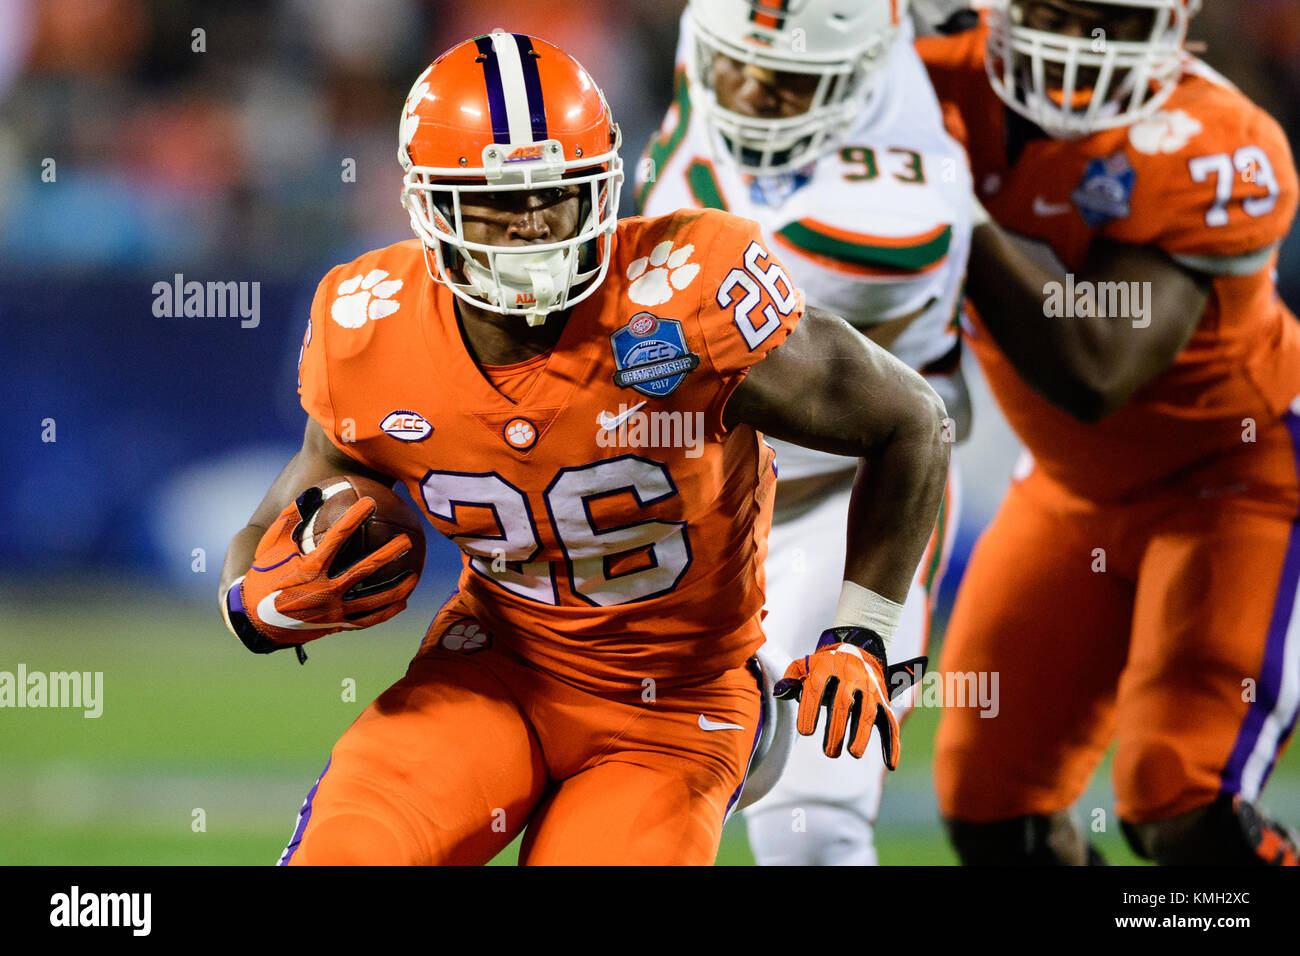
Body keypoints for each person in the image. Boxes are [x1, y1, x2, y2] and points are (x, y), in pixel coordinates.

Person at [217, 31, 950, 865]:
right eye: (494, 200)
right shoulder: (367, 324)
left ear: (601, 189)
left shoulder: (686, 291)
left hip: (680, 705)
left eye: (556, 195)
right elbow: (295, 503)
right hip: (494, 668)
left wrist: (862, 634)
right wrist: (253, 603)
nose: (531, 225)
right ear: (430, 205)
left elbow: (909, 422)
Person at [918, 0, 1300, 864]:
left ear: (1174, 23)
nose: (1078, 43)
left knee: (1182, 806)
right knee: (994, 816)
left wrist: (947, 205)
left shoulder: (1214, 140)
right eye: (1055, 11)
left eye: (1114, 21)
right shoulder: (933, 70)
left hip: (1239, 477)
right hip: (1070, 487)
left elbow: (1095, 369)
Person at [638, 0, 972, 865]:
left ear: (858, 78)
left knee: (808, 827)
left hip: (843, 509)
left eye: (787, 80)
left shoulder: (886, 220)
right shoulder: (777, 30)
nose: (747, 91)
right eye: (734, 63)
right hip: (702, 522)